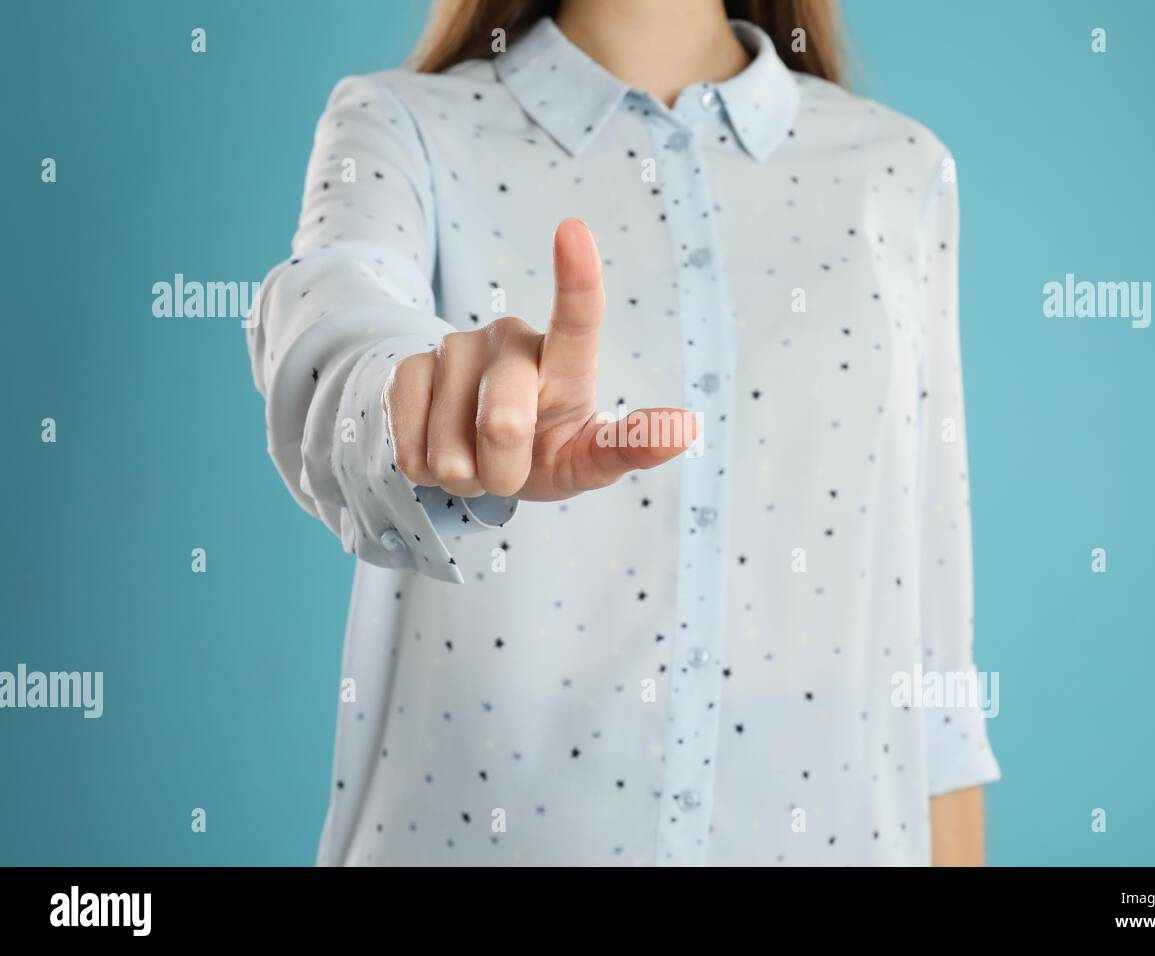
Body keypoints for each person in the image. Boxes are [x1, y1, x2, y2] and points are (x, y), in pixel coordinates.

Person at [247, 0, 1000, 866]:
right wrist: (412, 395)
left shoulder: (902, 171)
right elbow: (331, 324)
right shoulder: (398, 124)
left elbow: (934, 673)